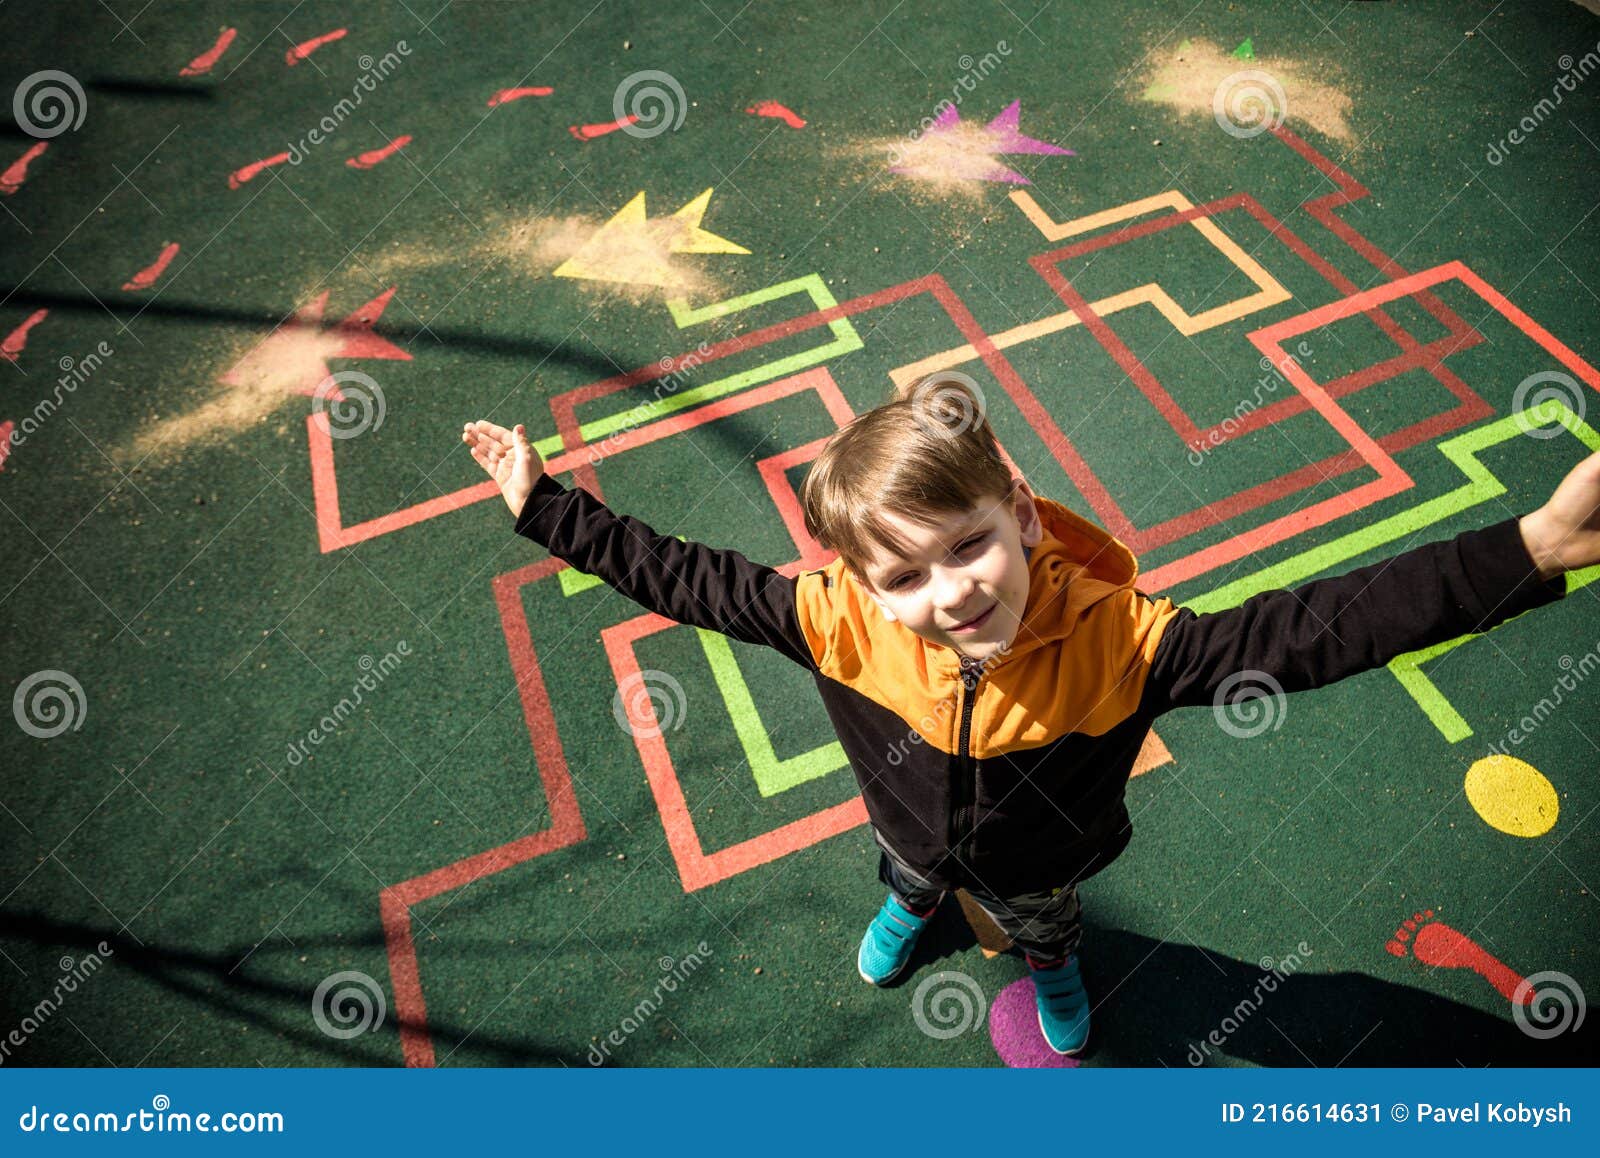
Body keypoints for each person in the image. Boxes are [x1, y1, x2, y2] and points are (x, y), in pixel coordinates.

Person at [462, 374, 1598, 1056]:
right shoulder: (832, 621)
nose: (952, 591)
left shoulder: (1124, 641)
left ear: (1025, 518)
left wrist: (1532, 549)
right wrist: (548, 508)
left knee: (1043, 922)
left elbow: (1313, 631)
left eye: (971, 545)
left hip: (1044, 859)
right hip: (910, 828)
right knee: (909, 874)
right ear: (861, 586)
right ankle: (911, 906)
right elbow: (686, 578)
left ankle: (1054, 966)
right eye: (905, 576)